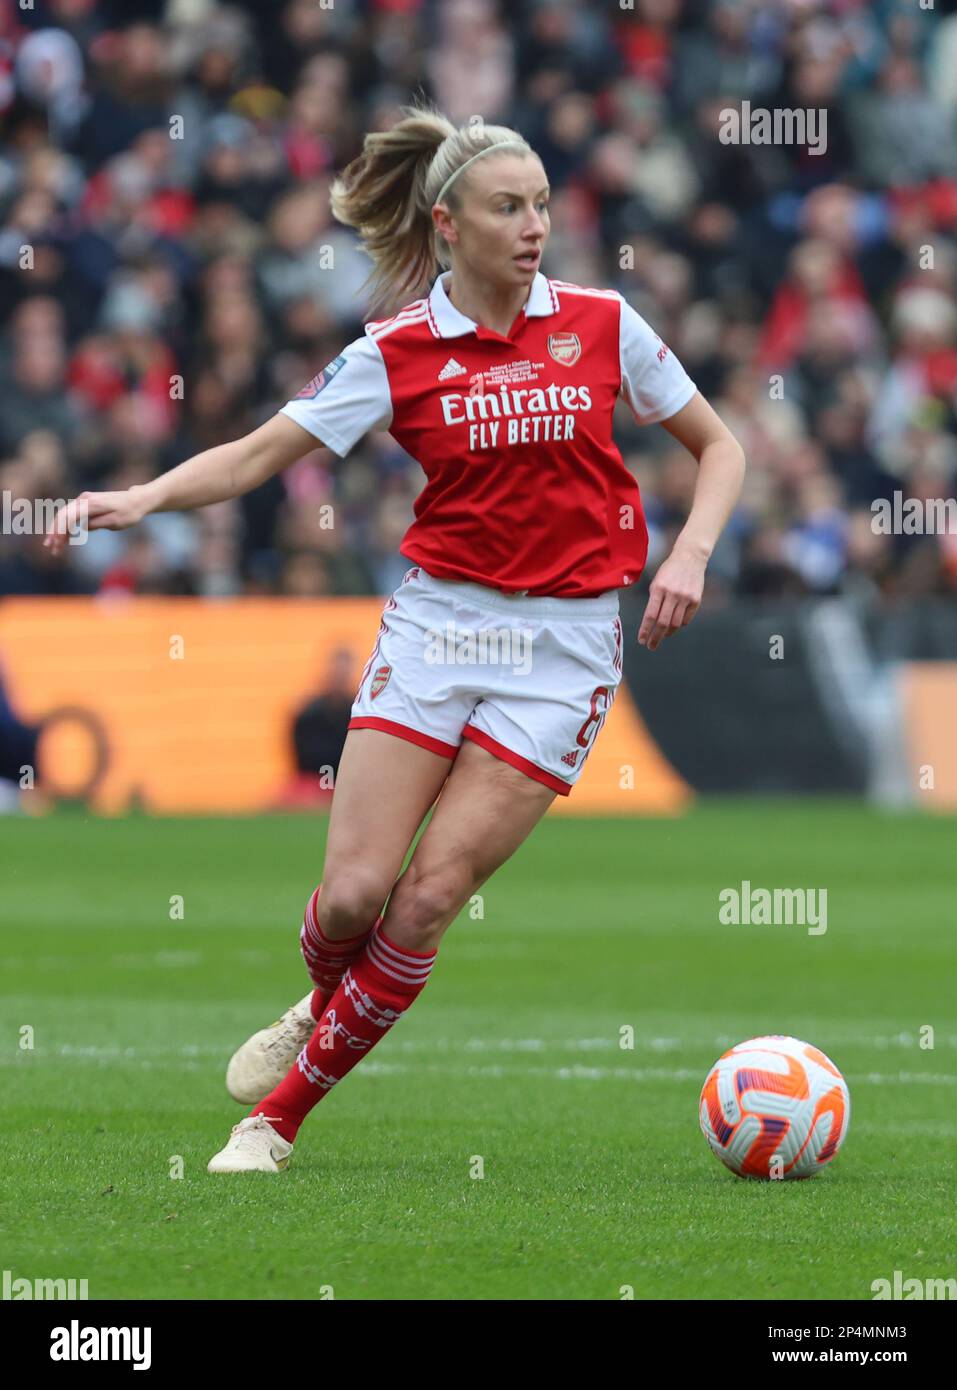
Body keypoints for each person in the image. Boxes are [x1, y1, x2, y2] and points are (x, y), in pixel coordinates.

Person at [45, 102, 746, 1173]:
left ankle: (273, 1120)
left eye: (543, 204)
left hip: (561, 653)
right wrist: (138, 498)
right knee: (358, 895)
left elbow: (720, 445)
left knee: (425, 900)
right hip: (438, 629)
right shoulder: (397, 351)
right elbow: (253, 455)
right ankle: (321, 991)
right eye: (508, 206)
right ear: (447, 223)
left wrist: (690, 552)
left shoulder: (603, 323)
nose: (533, 226)